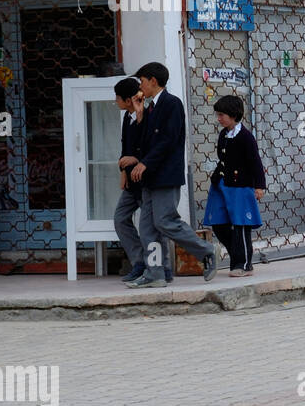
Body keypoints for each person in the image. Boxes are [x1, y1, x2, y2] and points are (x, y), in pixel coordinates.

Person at [126, 62, 217, 287]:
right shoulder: (148, 109)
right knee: (147, 228)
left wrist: (146, 163)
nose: (140, 87)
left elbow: (168, 140)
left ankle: (206, 250)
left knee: (165, 221)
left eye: (142, 81)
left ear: (153, 81)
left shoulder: (171, 104)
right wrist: (139, 117)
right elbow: (141, 143)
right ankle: (155, 273)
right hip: (149, 178)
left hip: (165, 176)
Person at [113, 77, 171, 283]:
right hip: (131, 180)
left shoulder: (147, 116)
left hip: (146, 180)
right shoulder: (127, 118)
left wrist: (136, 159)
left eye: (118, 98)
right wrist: (123, 172)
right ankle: (139, 261)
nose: (116, 102)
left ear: (129, 100)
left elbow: (149, 147)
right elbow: (125, 149)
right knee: (120, 219)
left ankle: (162, 267)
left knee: (153, 226)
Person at [202, 95, 266, 277]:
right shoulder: (223, 134)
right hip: (222, 184)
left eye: (222, 115)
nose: (219, 119)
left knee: (240, 224)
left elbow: (255, 163)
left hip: (240, 186)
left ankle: (244, 264)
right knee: (219, 224)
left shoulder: (246, 137)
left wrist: (259, 186)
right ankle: (236, 255)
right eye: (218, 115)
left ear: (233, 115)